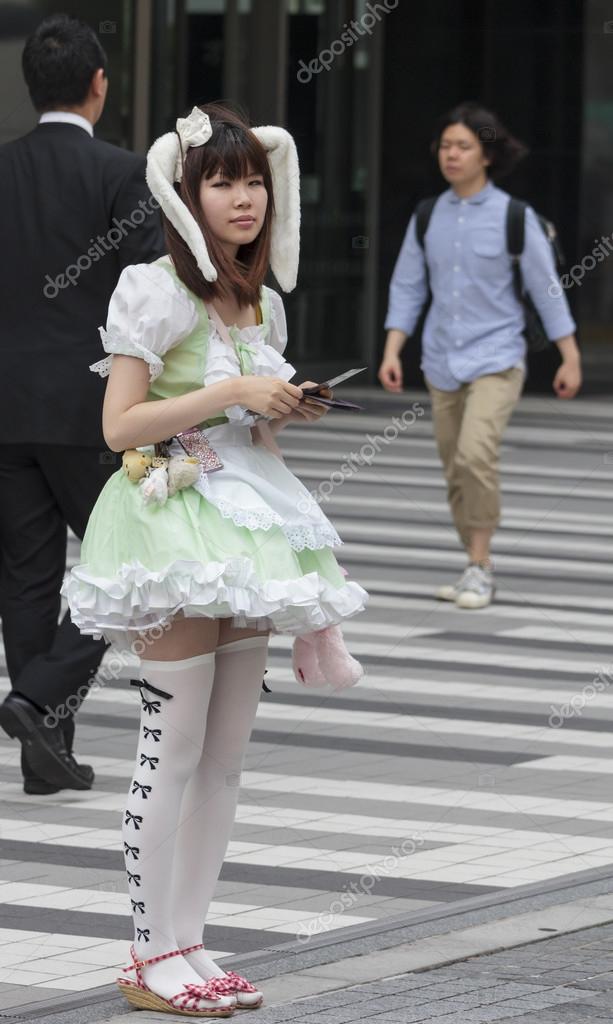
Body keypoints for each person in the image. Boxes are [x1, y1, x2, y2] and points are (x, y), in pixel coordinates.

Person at [62, 102, 368, 1016]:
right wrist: (233, 388)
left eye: (254, 181)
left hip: (242, 527)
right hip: (171, 523)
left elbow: (247, 436)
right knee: (174, 746)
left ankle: (189, 941)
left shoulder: (261, 300)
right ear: (184, 195)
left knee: (225, 757)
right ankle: (148, 952)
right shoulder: (153, 288)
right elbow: (121, 424)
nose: (244, 198)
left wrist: (277, 407)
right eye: (223, 181)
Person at [0, 14, 164, 795]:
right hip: (94, 409)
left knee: (28, 576)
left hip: (5, 408)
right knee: (132, 555)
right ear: (100, 83)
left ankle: (46, 751)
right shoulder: (122, 173)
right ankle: (38, 700)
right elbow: (153, 294)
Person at [378, 102, 581, 609]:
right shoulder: (427, 216)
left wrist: (570, 356)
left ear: (487, 155)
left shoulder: (515, 217)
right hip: (441, 360)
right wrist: (393, 350)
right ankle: (473, 561)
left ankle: (480, 566)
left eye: (463, 146)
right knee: (455, 469)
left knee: (475, 454)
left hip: (498, 357)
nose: (451, 154)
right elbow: (408, 286)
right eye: (445, 146)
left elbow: (546, 290)